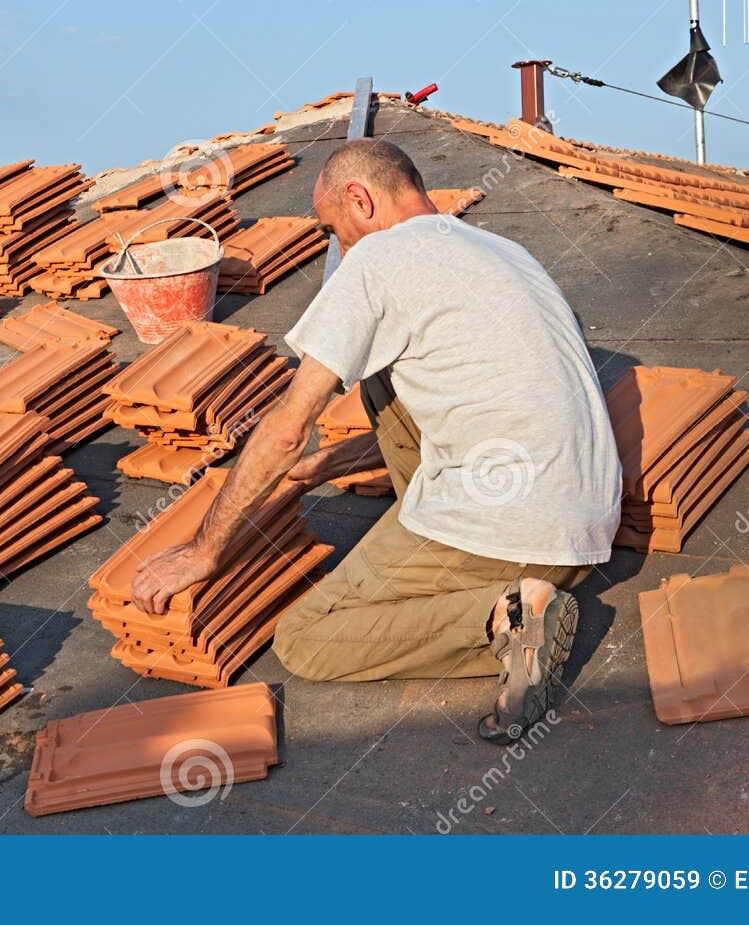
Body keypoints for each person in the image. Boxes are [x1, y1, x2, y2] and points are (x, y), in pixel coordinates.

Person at [129, 138, 621, 743]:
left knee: (307, 640)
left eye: (336, 229)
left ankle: (505, 615)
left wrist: (203, 551)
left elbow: (287, 427)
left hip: (506, 533)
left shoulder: (379, 259)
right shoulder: (503, 250)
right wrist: (322, 467)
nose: (339, 247)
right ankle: (504, 585)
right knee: (381, 368)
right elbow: (460, 400)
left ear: (360, 199)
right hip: (587, 528)